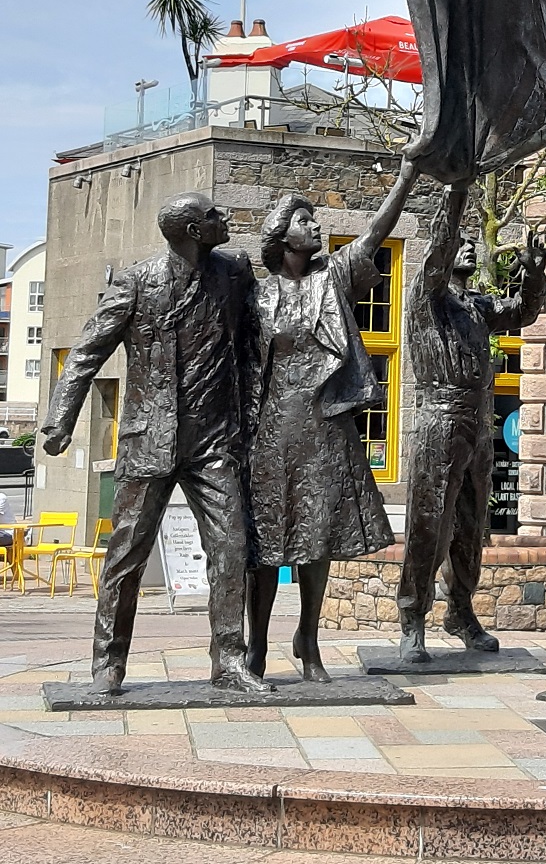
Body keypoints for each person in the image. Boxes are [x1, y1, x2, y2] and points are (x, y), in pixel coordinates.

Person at [40, 194, 267, 696]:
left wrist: (253, 417)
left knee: (231, 548)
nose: (225, 218)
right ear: (193, 230)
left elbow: (253, 346)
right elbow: (86, 352)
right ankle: (108, 663)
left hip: (214, 441)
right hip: (150, 439)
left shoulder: (234, 272)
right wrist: (60, 420)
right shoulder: (137, 282)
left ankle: (229, 661)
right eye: (213, 215)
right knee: (126, 555)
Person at [246, 157, 418, 683]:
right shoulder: (255, 295)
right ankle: (256, 645)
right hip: (270, 428)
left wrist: (407, 175)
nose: (316, 225)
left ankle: (310, 639)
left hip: (324, 424)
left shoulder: (332, 279)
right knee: (266, 543)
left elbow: (375, 234)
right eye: (305, 220)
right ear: (281, 234)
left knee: (316, 536)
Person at [397, 184, 546, 664]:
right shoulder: (429, 299)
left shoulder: (478, 306)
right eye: (457, 243)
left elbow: (523, 312)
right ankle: (412, 617)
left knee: (471, 524)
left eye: (471, 244)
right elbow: (439, 246)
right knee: (429, 524)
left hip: (478, 422)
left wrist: (533, 274)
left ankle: (461, 611)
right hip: (439, 418)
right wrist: (457, 188)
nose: (466, 248)